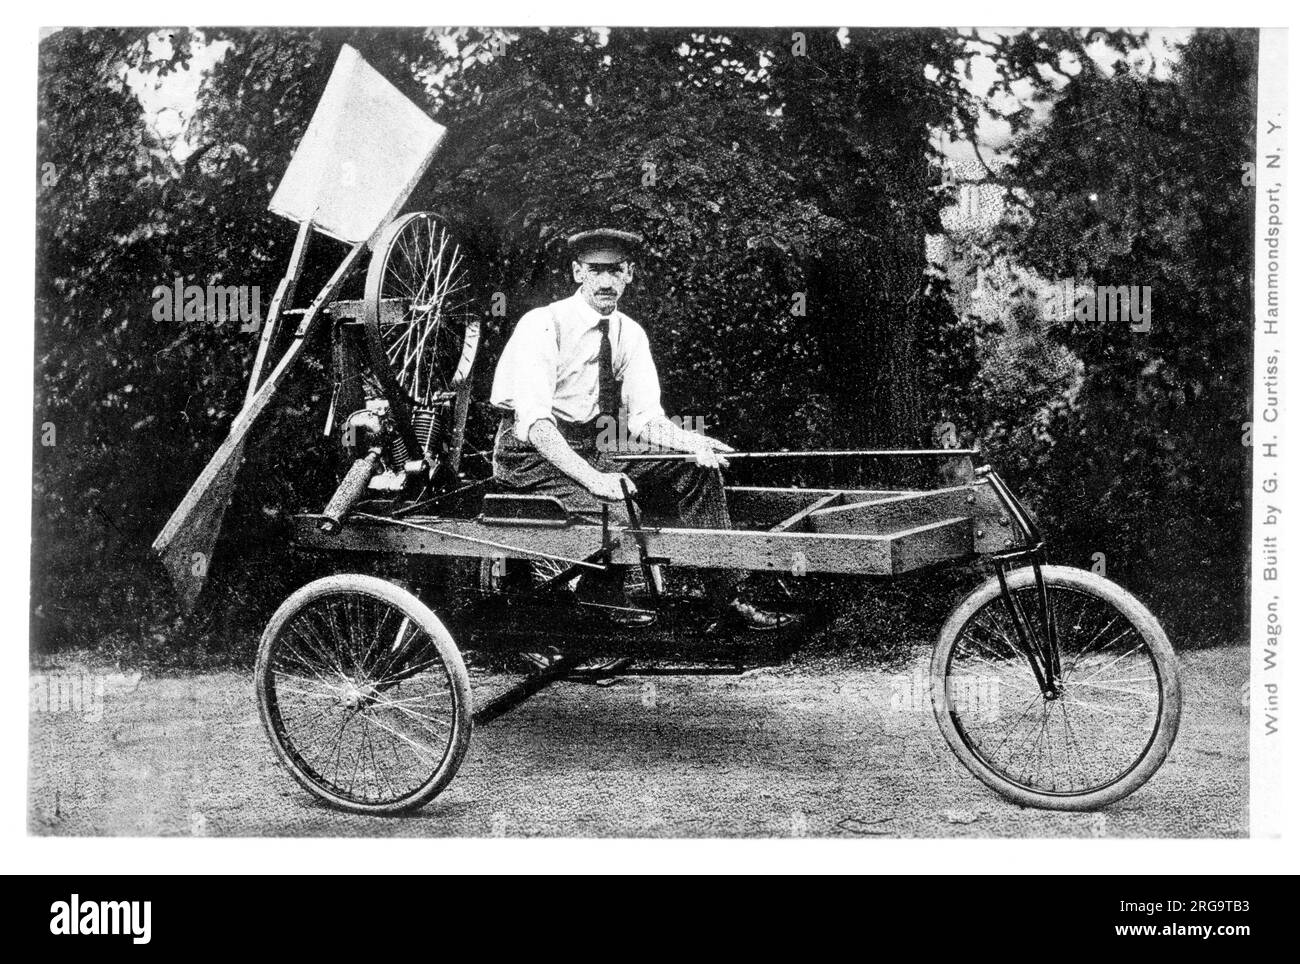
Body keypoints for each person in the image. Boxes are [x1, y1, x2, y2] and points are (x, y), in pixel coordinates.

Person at [490, 227, 797, 630]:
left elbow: (644, 419)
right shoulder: (543, 325)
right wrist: (596, 480)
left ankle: (727, 600)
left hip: (592, 444)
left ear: (629, 274)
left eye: (615, 271)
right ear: (577, 273)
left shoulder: (628, 333)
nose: (605, 282)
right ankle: (600, 600)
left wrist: (690, 441)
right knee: (616, 507)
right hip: (530, 457)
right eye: (595, 271)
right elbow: (536, 424)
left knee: (694, 469)